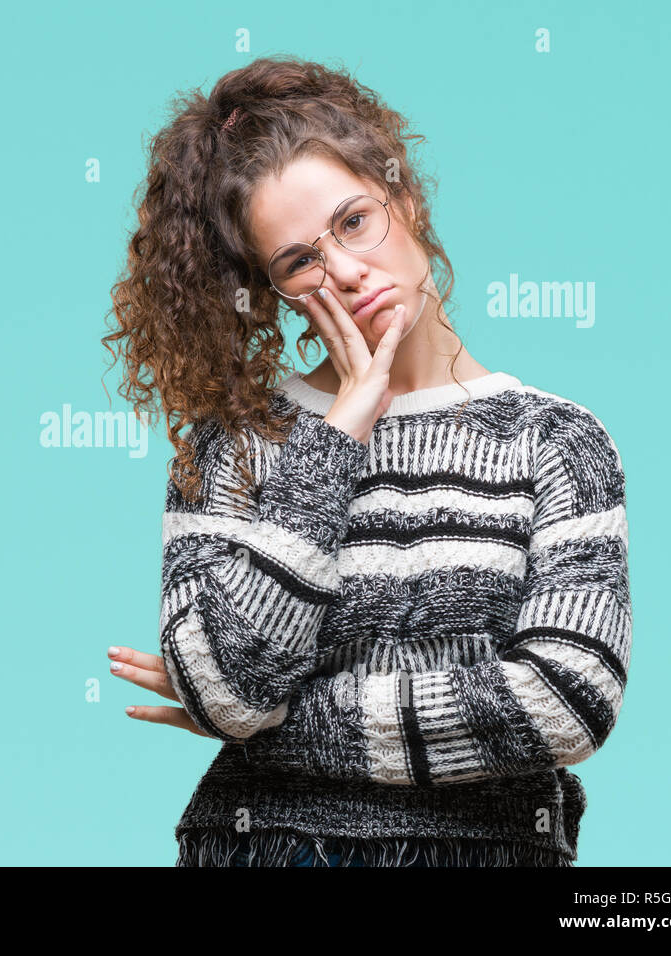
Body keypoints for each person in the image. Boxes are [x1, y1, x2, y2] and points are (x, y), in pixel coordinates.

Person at [100, 55, 631, 867]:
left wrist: (272, 729)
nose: (346, 273)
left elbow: (568, 702)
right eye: (299, 261)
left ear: (405, 197)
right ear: (273, 288)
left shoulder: (556, 440)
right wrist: (338, 437)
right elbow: (226, 684)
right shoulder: (235, 444)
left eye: (354, 222)